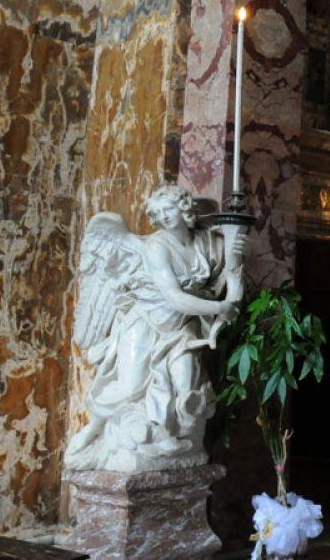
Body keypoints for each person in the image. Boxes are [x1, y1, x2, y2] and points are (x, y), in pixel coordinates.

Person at [66, 185, 246, 472]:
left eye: (169, 209)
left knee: (185, 384)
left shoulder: (209, 243)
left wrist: (235, 257)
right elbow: (174, 297)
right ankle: (94, 428)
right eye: (158, 212)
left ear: (185, 209)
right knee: (129, 384)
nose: (164, 216)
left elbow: (228, 284)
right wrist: (218, 308)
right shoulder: (155, 246)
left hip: (184, 327)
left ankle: (168, 437)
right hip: (147, 322)